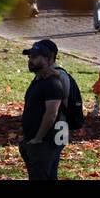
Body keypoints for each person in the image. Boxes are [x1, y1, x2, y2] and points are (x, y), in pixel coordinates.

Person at [19, 39, 68, 179]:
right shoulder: (39, 78)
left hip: (49, 138)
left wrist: (38, 138)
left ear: (49, 58)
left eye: (34, 57)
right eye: (29, 57)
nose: (30, 60)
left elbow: (53, 113)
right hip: (37, 139)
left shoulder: (55, 79)